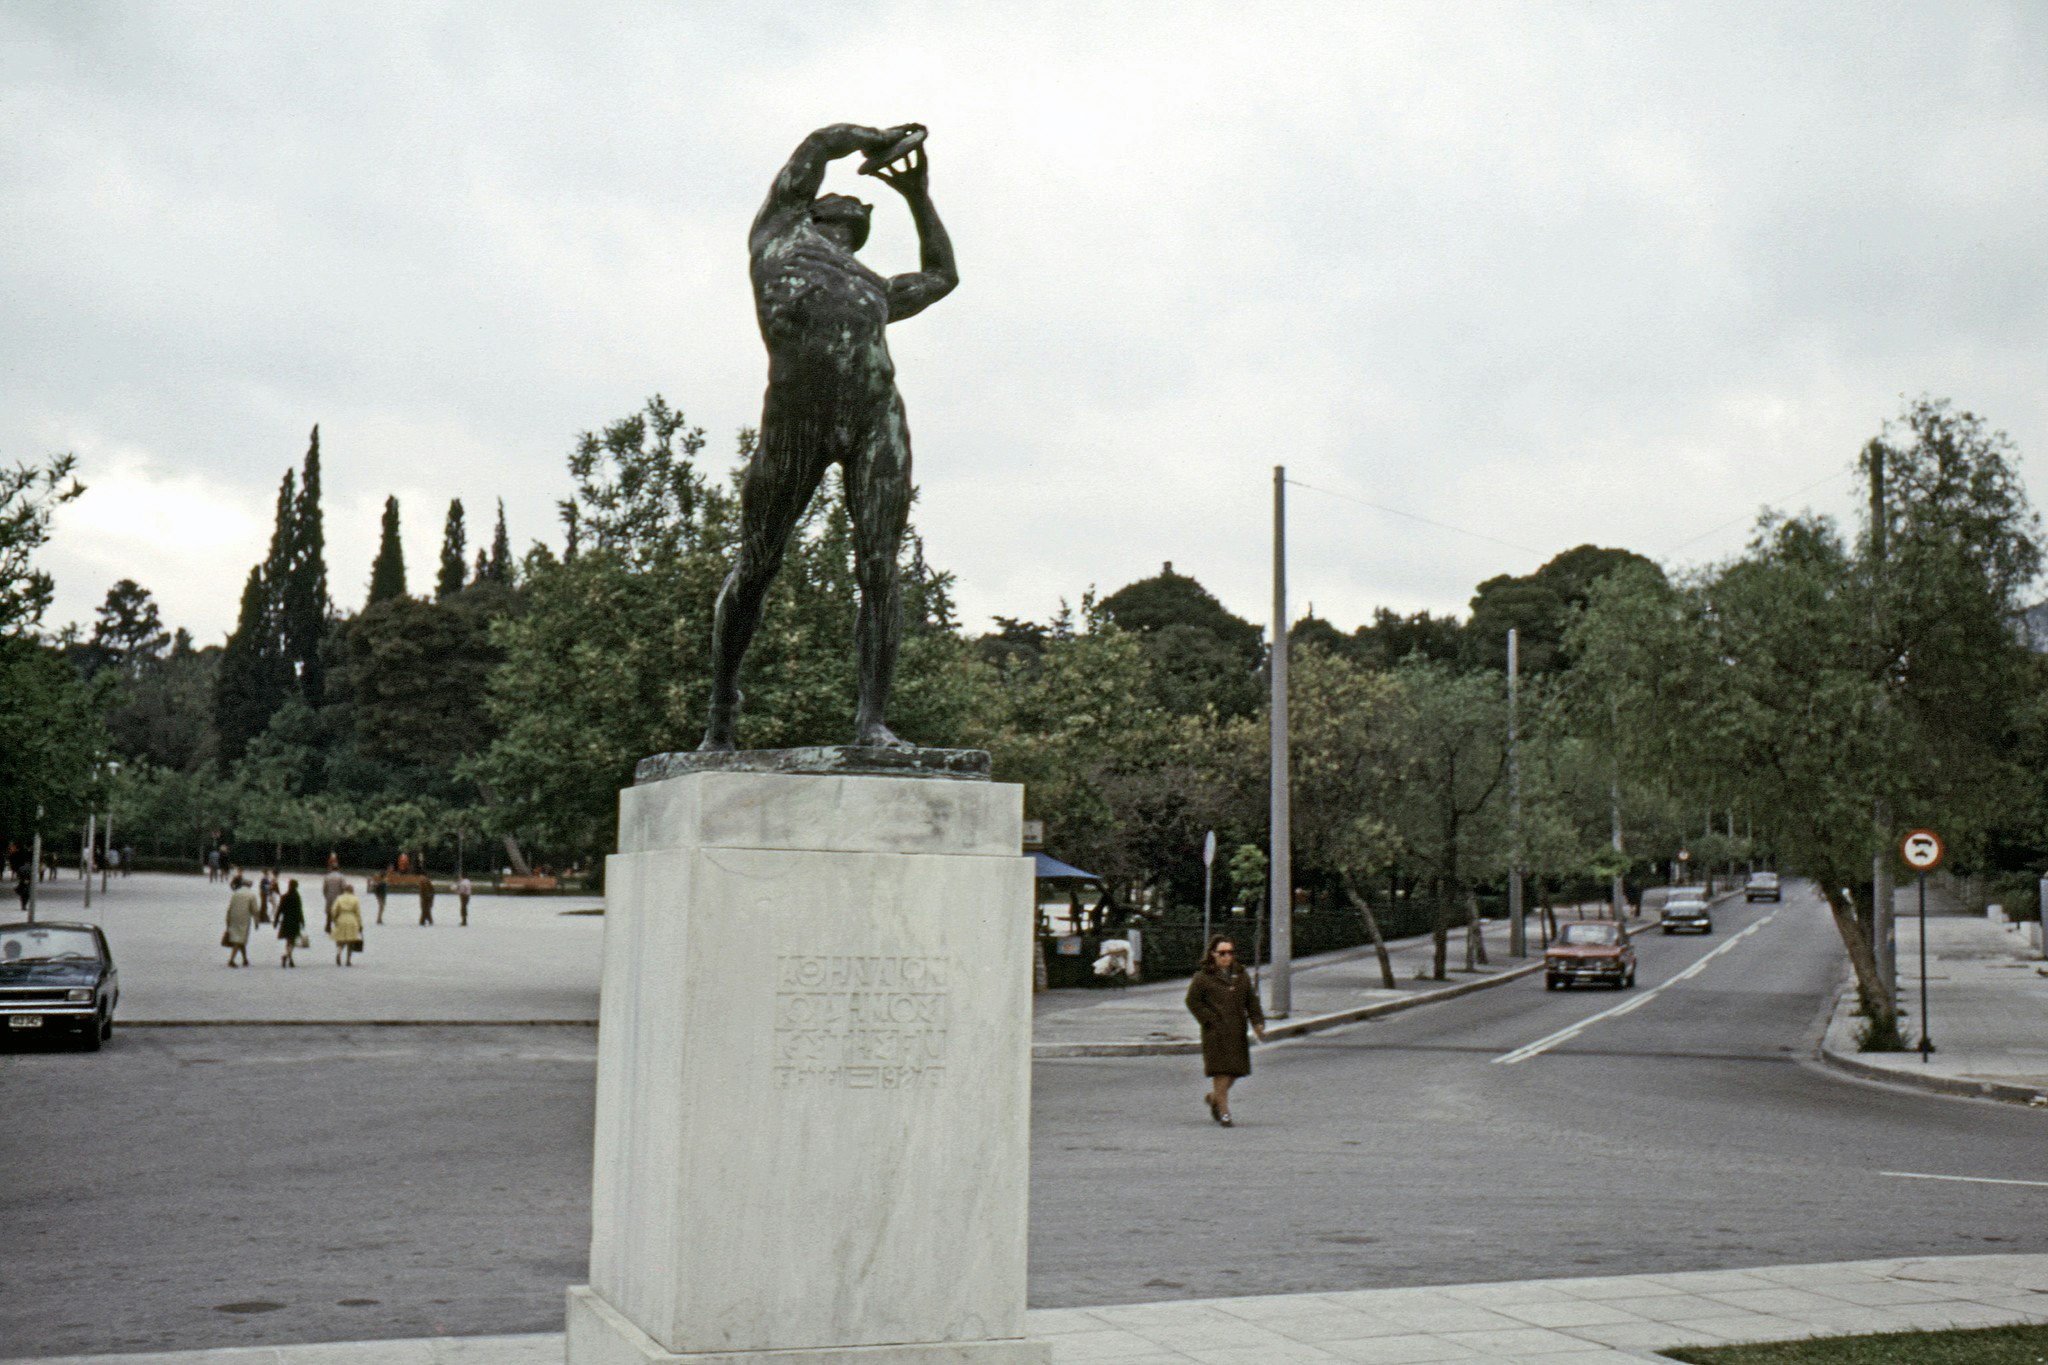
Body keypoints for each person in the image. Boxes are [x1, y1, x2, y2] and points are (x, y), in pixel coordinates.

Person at [698, 122, 956, 752]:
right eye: (843, 197)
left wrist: (918, 196)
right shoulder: (779, 233)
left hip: (874, 416)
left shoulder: (872, 286)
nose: (856, 200)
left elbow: (942, 275)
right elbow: (817, 146)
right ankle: (722, 709)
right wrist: (871, 138)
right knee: (758, 564)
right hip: (795, 418)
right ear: (814, 207)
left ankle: (872, 720)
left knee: (879, 566)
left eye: (864, 204)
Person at [1184, 935, 1265, 1127]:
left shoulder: (1241, 975)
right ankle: (1225, 1112)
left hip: (1237, 1030)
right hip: (1216, 1033)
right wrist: (1209, 1020)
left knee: (1235, 1071)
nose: (1226, 956)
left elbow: (1251, 1002)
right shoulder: (1203, 978)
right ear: (1213, 954)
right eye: (1222, 953)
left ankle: (1214, 1098)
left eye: (1230, 952)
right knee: (1221, 1071)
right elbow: (1192, 1001)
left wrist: (1258, 1022)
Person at [223, 875, 258, 968]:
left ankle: (245, 959)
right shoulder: (251, 895)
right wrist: (257, 922)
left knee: (240, 937)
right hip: (244, 918)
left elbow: (230, 907)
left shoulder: (236, 893)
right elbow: (255, 910)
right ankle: (231, 960)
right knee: (240, 939)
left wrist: (227, 918)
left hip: (233, 917)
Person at [332, 880, 364, 966]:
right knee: (351, 941)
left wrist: (335, 920)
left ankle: (339, 953)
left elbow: (334, 910)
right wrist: (360, 925)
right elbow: (358, 913)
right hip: (352, 919)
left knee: (341, 940)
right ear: (352, 891)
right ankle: (348, 960)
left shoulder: (339, 898)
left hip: (341, 919)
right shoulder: (355, 899)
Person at [276, 877, 305, 968]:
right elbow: (299, 910)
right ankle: (287, 956)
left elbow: (280, 909)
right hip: (295, 921)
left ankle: (290, 958)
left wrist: (276, 920)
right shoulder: (297, 897)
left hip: (286, 920)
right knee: (292, 940)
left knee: (288, 940)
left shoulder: (284, 896)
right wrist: (302, 921)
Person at [322, 854, 345, 934]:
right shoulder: (341, 877)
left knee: (329, 912)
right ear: (338, 868)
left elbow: (324, 888)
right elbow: (343, 887)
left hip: (329, 896)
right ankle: (338, 927)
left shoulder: (327, 877)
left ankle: (328, 926)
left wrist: (325, 895)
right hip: (338, 896)